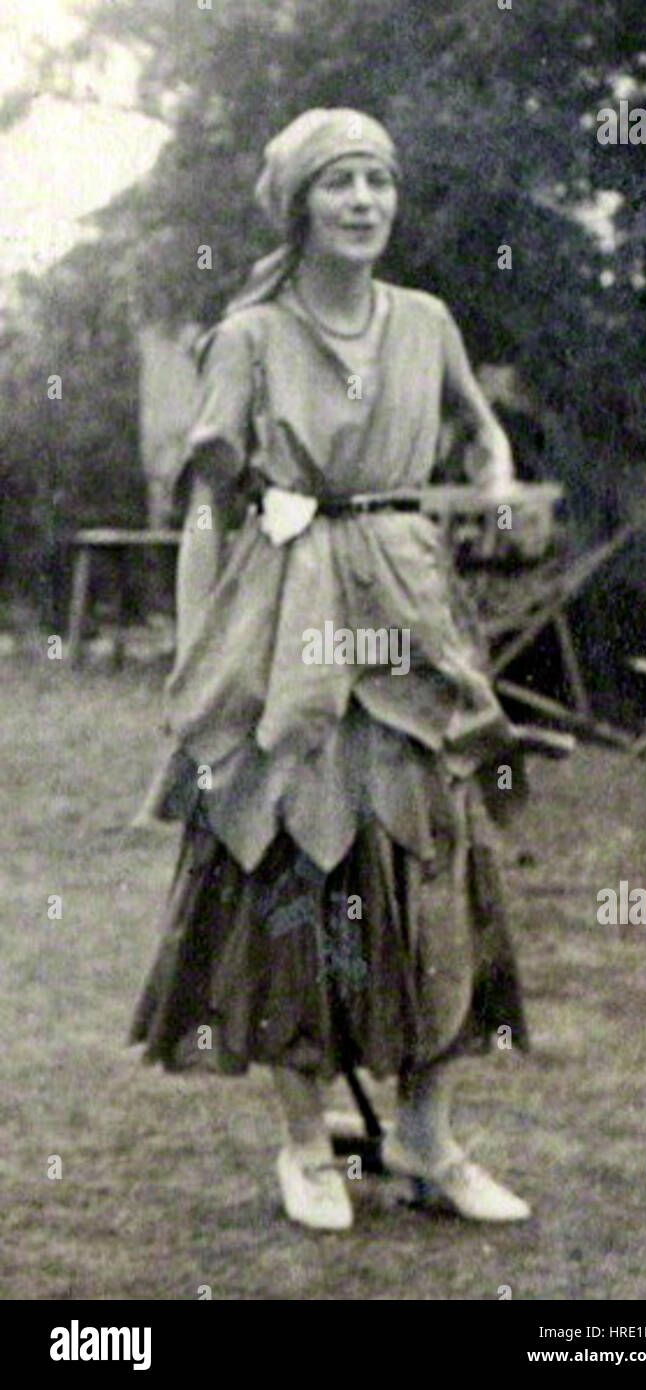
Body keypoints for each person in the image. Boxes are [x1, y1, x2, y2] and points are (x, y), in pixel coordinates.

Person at [130, 108, 531, 1231]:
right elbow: (208, 508)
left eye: (377, 181)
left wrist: (495, 475)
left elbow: (481, 428)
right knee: (286, 852)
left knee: (437, 855)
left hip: (407, 603)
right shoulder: (250, 337)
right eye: (339, 182)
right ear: (298, 205)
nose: (363, 202)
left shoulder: (426, 321)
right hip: (290, 609)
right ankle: (306, 1145)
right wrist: (198, 655)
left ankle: (426, 1139)